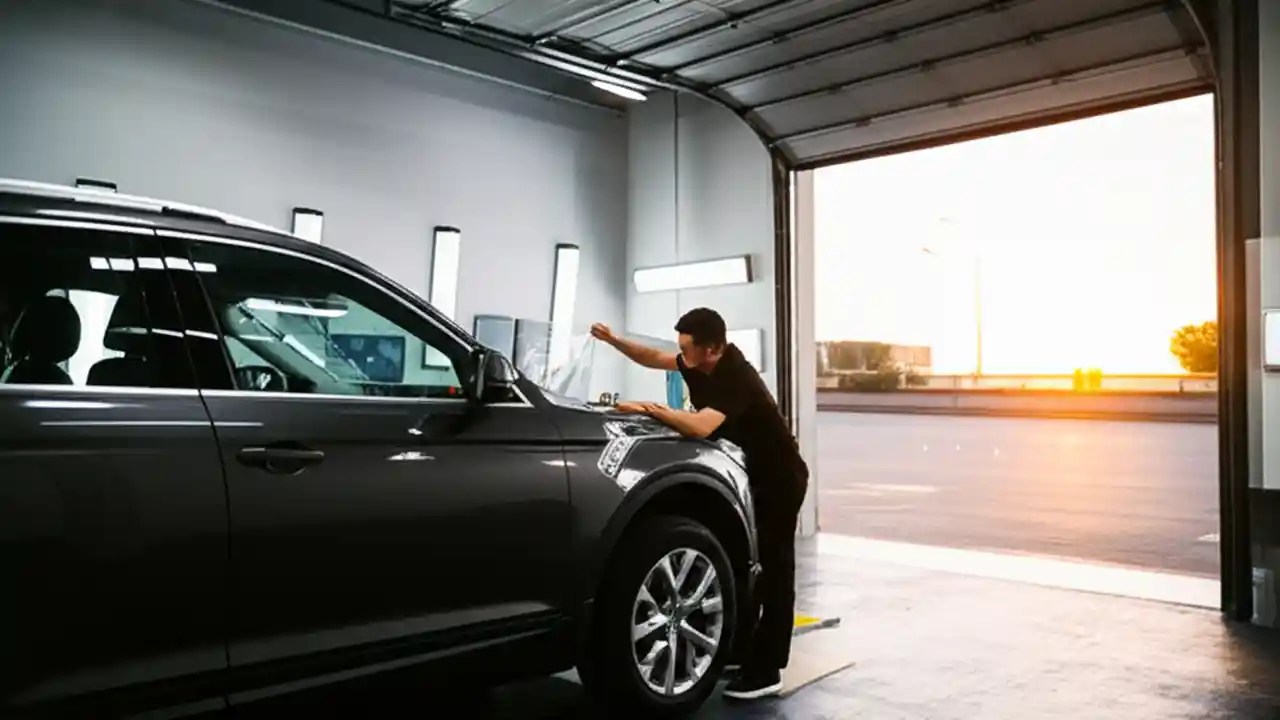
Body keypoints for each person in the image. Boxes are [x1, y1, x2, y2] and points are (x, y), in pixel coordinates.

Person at [590, 308, 809, 701]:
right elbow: (652, 357)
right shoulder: (697, 363)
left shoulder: (735, 375)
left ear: (713, 349)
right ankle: (741, 652)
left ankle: (768, 669)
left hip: (780, 478)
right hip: (751, 474)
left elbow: (700, 425)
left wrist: (648, 409)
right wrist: (613, 340)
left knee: (776, 572)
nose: (681, 355)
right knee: (750, 568)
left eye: (688, 349)